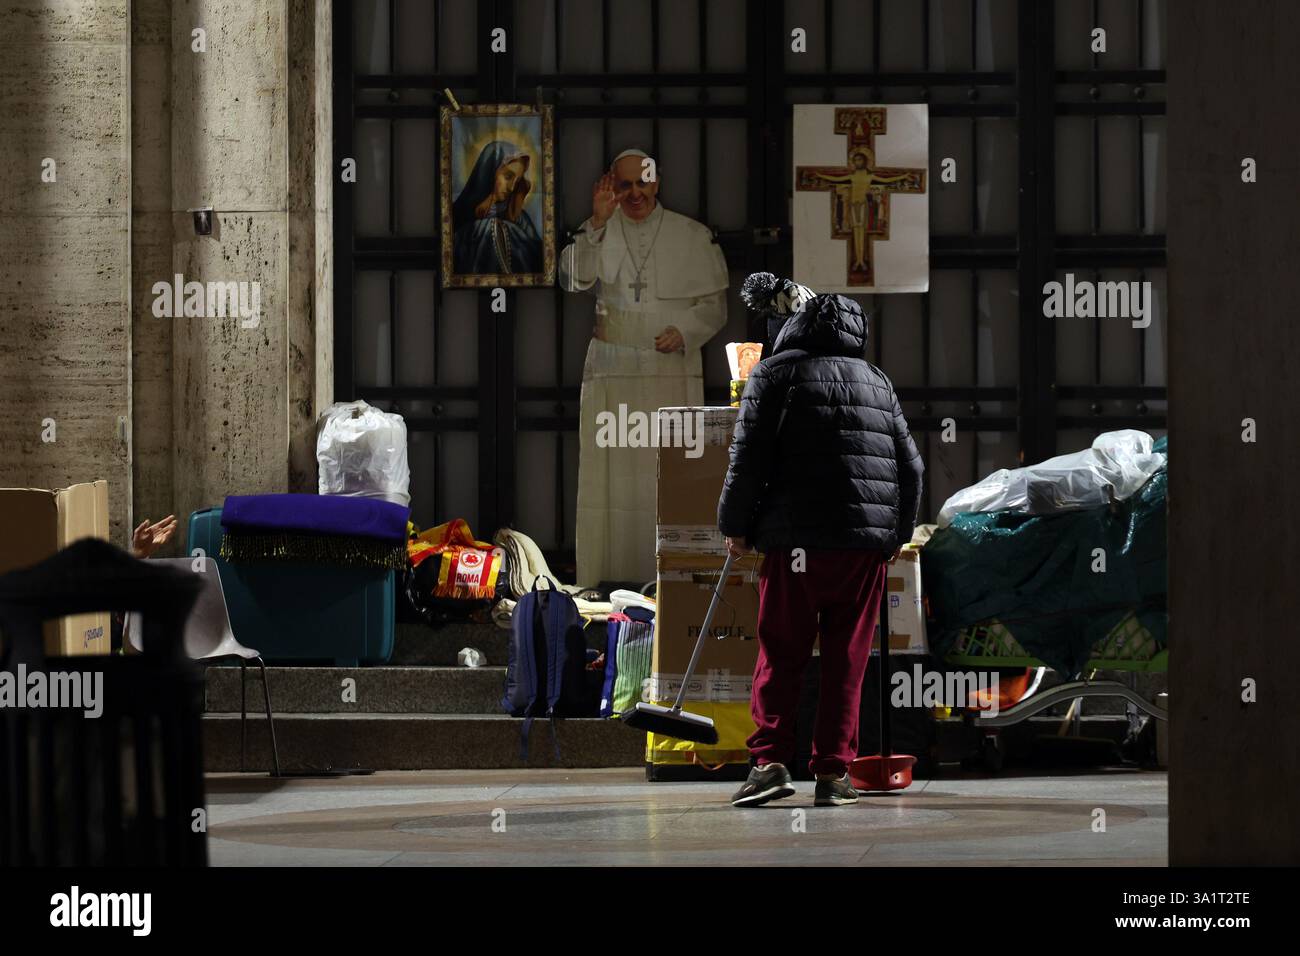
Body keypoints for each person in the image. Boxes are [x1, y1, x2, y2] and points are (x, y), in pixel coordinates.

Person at [716, 286, 924, 808]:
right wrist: (897, 533)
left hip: (795, 547)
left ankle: (768, 765)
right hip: (861, 551)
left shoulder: (772, 375)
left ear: (796, 327)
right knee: (845, 662)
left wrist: (735, 526)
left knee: (782, 654)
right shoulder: (878, 381)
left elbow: (748, 462)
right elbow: (913, 468)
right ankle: (833, 774)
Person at [560, 148, 729, 585]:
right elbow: (572, 278)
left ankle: (667, 574)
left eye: (643, 183)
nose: (635, 193)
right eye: (625, 185)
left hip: (667, 370)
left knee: (664, 469)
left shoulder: (689, 235)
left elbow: (714, 306)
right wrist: (596, 223)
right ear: (612, 188)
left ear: (656, 184)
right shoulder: (598, 230)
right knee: (609, 474)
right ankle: (609, 574)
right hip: (612, 369)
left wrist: (685, 331)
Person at [451, 141, 543, 276]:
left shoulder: (519, 217)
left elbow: (537, 256)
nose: (512, 188)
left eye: (517, 181)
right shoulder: (462, 211)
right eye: (508, 177)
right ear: (489, 171)